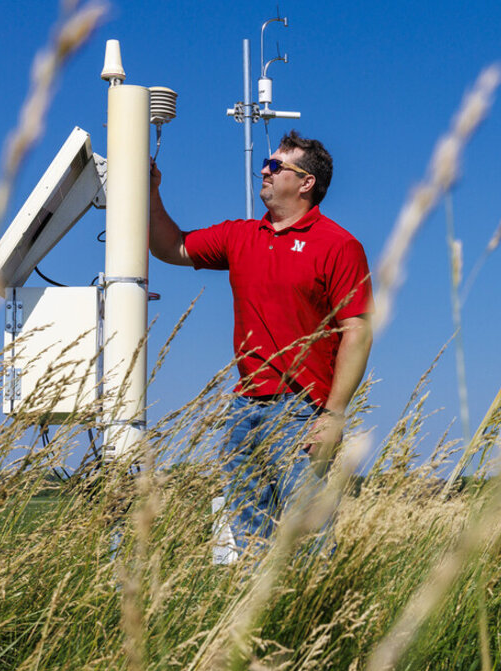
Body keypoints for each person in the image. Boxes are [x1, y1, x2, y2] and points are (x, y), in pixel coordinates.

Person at [149, 131, 373, 563]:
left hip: (302, 411)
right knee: (248, 541)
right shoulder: (240, 236)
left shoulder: (338, 245)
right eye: (266, 165)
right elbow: (170, 246)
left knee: (308, 543)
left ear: (306, 183)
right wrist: (151, 192)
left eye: (276, 166)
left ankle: (313, 624)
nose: (264, 172)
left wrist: (333, 413)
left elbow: (357, 331)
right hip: (244, 409)